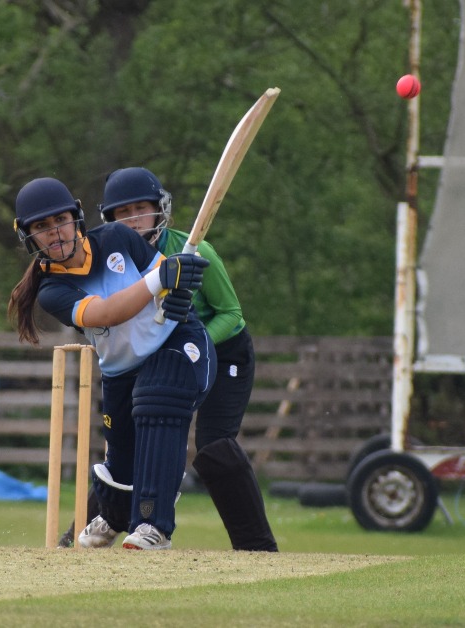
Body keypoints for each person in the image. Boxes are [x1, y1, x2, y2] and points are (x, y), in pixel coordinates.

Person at [8, 177, 213, 550]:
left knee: (158, 397)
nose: (54, 233)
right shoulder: (53, 290)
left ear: (76, 218)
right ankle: (115, 516)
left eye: (59, 221)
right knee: (119, 468)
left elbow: (171, 273)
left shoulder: (118, 237)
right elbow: (106, 312)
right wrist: (159, 281)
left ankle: (153, 526)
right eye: (41, 227)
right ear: (29, 237)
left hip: (178, 344)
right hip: (120, 371)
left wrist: (182, 289)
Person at [97, 166, 277, 552]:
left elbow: (232, 315)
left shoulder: (194, 250)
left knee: (214, 448)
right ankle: (106, 524)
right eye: (122, 214)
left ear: (159, 210)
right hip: (156, 358)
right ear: (109, 221)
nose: (133, 220)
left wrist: (182, 350)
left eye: (140, 209)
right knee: (134, 437)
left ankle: (258, 549)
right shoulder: (115, 265)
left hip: (224, 351)